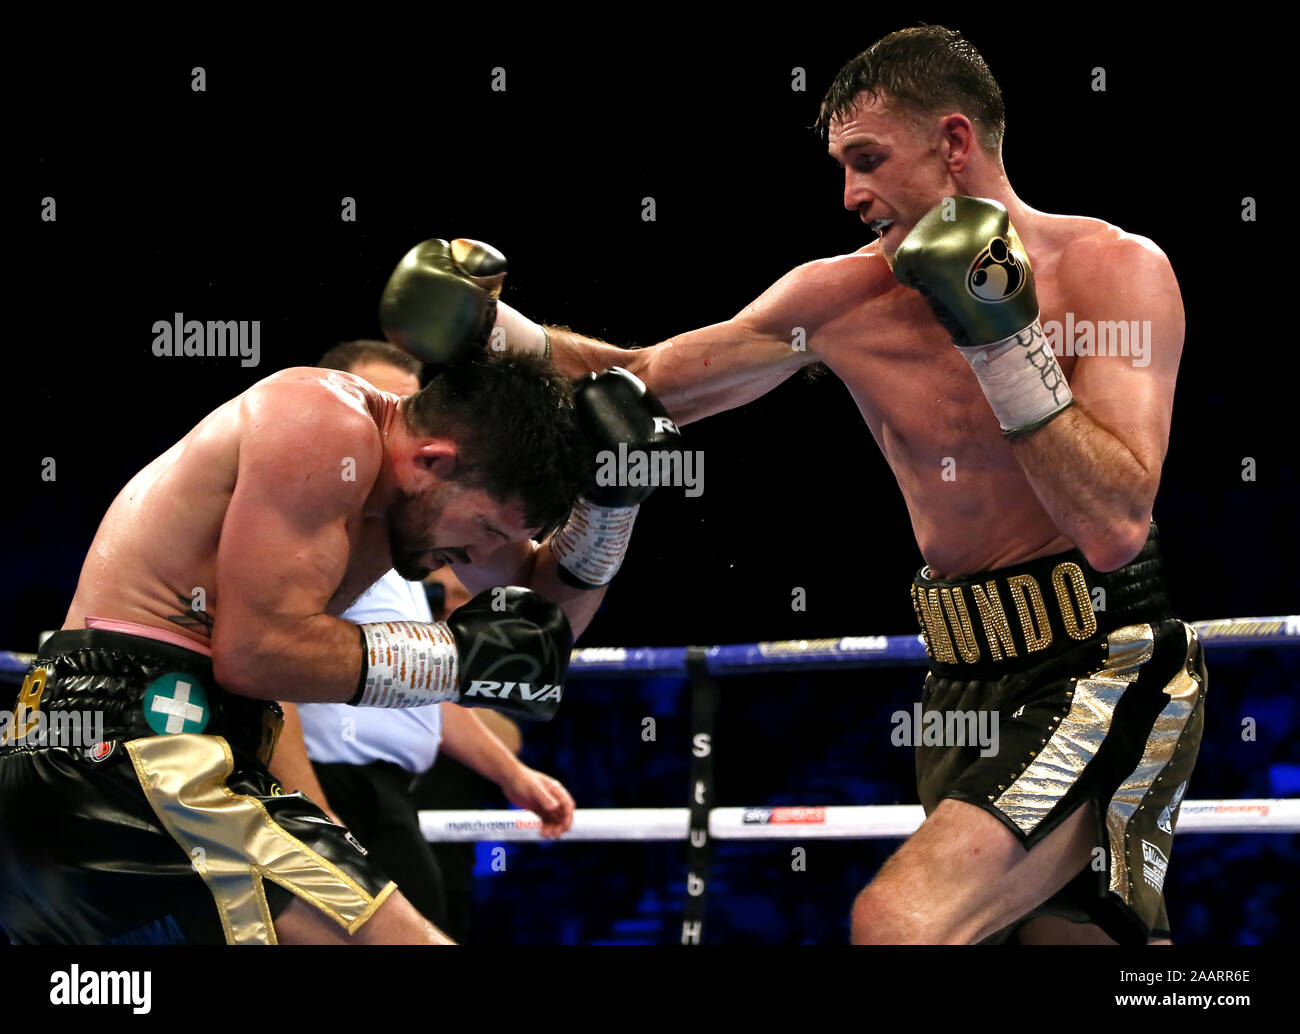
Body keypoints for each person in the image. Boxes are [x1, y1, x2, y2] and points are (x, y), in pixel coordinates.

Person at [387, 27, 1205, 946]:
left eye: (869, 160)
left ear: (953, 141)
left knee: (899, 924)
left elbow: (1114, 525)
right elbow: (643, 380)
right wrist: (499, 333)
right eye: (842, 168)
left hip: (1100, 661)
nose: (850, 195)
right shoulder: (842, 298)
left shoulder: (1112, 270)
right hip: (960, 678)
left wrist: (1002, 342)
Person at [0, 253, 683, 943]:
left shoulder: (416, 504)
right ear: (434, 459)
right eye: (484, 529)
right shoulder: (321, 418)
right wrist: (455, 660)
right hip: (130, 739)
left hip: (130, 751)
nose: (478, 556)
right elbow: (254, 652)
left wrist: (609, 513)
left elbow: (542, 631)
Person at [269, 339, 574, 934]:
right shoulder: (320, 518)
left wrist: (512, 775)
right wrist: (313, 813)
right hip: (328, 781)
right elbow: (265, 664)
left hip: (383, 791)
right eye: (383, 407)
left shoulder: (404, 545)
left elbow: (419, 681)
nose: (402, 429)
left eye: (414, 408)